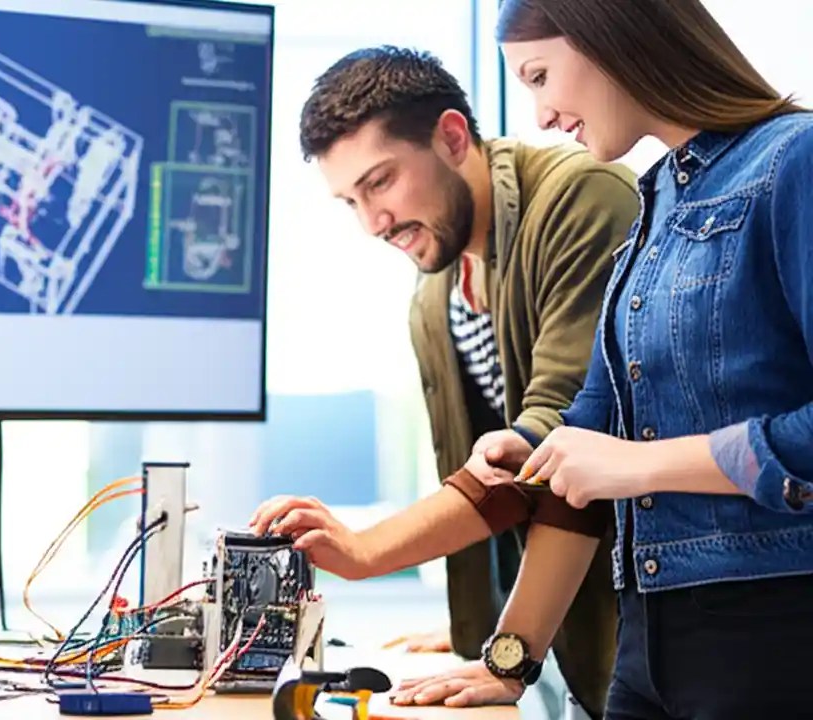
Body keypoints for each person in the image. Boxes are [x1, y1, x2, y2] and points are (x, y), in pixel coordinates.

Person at [388, 1, 813, 717]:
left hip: (772, 635)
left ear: (609, 36)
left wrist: (638, 466)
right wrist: (528, 446)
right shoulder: (657, 204)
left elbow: (617, 456)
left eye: (540, 76)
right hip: (646, 643)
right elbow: (592, 425)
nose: (543, 114)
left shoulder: (793, 161)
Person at [247, 46, 638, 718]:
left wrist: (368, 553)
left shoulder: (582, 198)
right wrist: (481, 634)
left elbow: (553, 453)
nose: (372, 223)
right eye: (350, 201)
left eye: (381, 182)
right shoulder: (436, 295)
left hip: (653, 643)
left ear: (453, 137)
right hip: (565, 643)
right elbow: (494, 480)